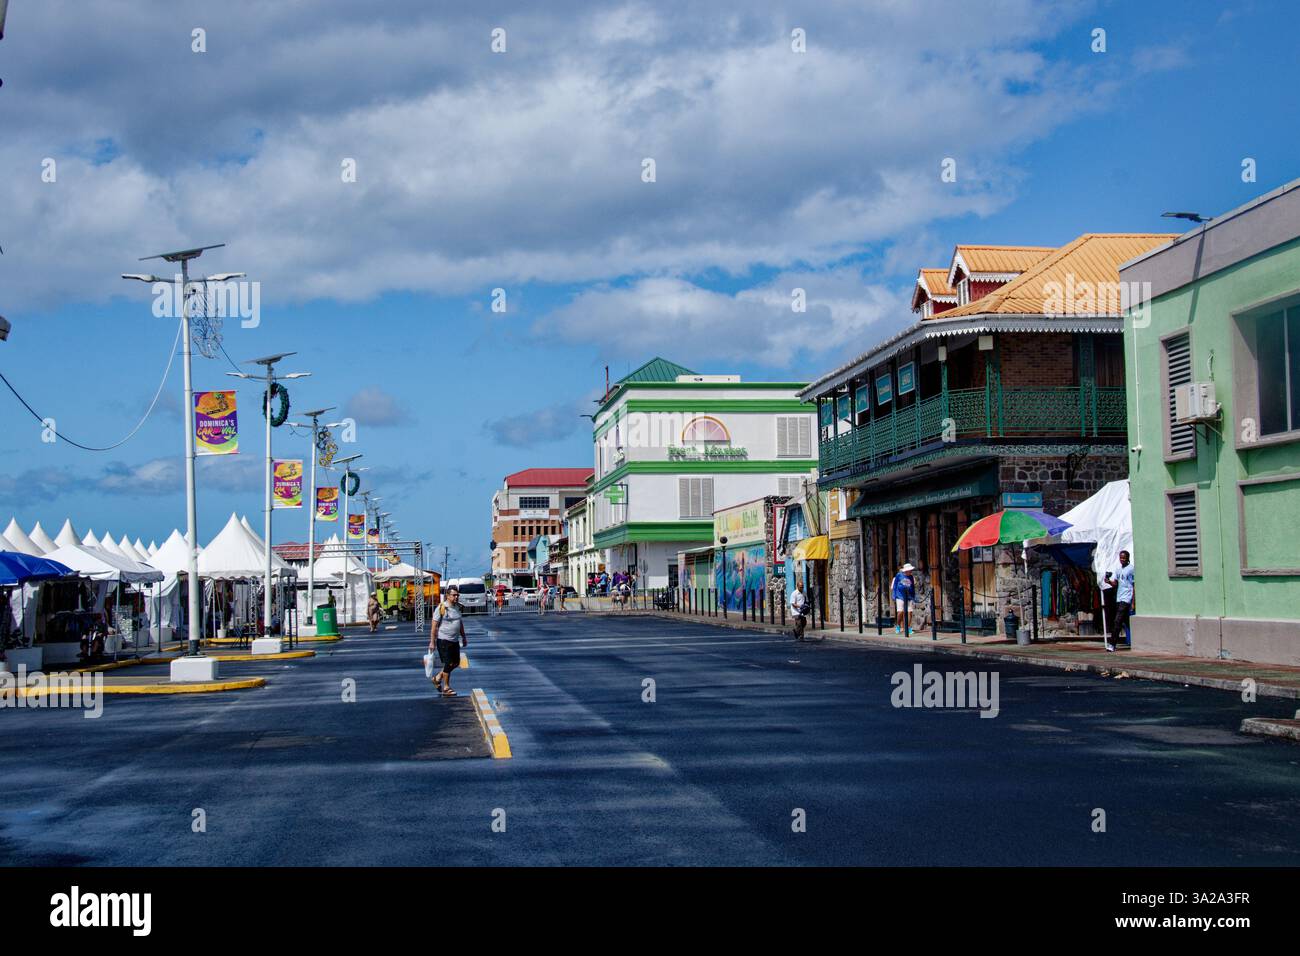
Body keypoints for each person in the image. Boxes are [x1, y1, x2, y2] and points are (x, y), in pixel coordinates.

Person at [428, 585, 468, 697]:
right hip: (444, 640)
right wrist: (432, 642)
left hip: (454, 640)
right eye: (454, 595)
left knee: (455, 663)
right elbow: (434, 626)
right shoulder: (441, 608)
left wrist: (463, 636)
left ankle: (437, 678)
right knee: (448, 663)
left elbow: (460, 623)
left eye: (457, 595)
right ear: (448, 596)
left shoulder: (457, 607)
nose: (456, 597)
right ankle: (446, 687)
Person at [1102, 550, 1135, 652]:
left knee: (1117, 621)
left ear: (1128, 558)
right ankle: (1139, 639)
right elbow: (1116, 584)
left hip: (1126, 598)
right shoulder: (1118, 569)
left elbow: (1134, 585)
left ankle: (1112, 644)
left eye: (1124, 558)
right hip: (1119, 598)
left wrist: (1133, 601)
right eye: (1121, 558)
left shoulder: (1131, 569)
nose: (1122, 559)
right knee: (1126, 622)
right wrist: (1109, 582)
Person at [892, 563, 916, 636]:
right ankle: (898, 626)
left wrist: (913, 597)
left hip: (909, 597)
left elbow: (912, 587)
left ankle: (908, 628)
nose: (911, 571)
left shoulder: (911, 577)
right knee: (900, 612)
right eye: (909, 570)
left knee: (910, 612)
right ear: (906, 570)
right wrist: (894, 595)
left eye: (911, 570)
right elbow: (895, 585)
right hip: (900, 596)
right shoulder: (899, 575)